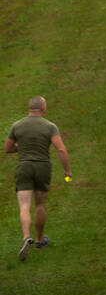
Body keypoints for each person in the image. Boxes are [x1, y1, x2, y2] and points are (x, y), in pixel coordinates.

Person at [5, 95, 71, 259]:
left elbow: (7, 148)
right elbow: (61, 150)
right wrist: (67, 171)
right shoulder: (50, 126)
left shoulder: (17, 125)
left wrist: (22, 147)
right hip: (42, 167)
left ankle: (26, 237)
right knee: (40, 204)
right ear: (43, 108)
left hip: (24, 167)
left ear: (30, 108)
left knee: (24, 206)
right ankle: (40, 240)